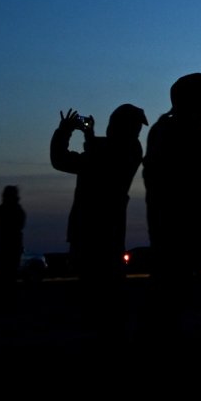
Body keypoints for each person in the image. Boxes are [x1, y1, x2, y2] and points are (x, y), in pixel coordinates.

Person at [50, 104, 146, 282]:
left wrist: (66, 131)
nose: (137, 130)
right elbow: (99, 154)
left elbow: (61, 160)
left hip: (91, 232)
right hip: (105, 231)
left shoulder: (122, 150)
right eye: (135, 126)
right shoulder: (130, 149)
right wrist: (88, 136)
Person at [143, 73, 201, 292]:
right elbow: (200, 180)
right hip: (180, 225)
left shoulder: (162, 128)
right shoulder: (190, 129)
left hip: (166, 223)